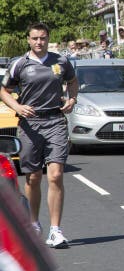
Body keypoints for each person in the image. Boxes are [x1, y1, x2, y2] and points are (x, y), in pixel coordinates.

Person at [0, 22, 78, 248]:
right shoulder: (19, 64)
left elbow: (73, 82)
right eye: (35, 38)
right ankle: (34, 223)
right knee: (33, 177)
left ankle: (55, 230)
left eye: (43, 38)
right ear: (28, 40)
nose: (39, 42)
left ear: (48, 39)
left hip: (55, 121)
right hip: (29, 124)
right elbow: (4, 90)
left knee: (55, 175)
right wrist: (17, 107)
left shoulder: (61, 62)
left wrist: (72, 100)